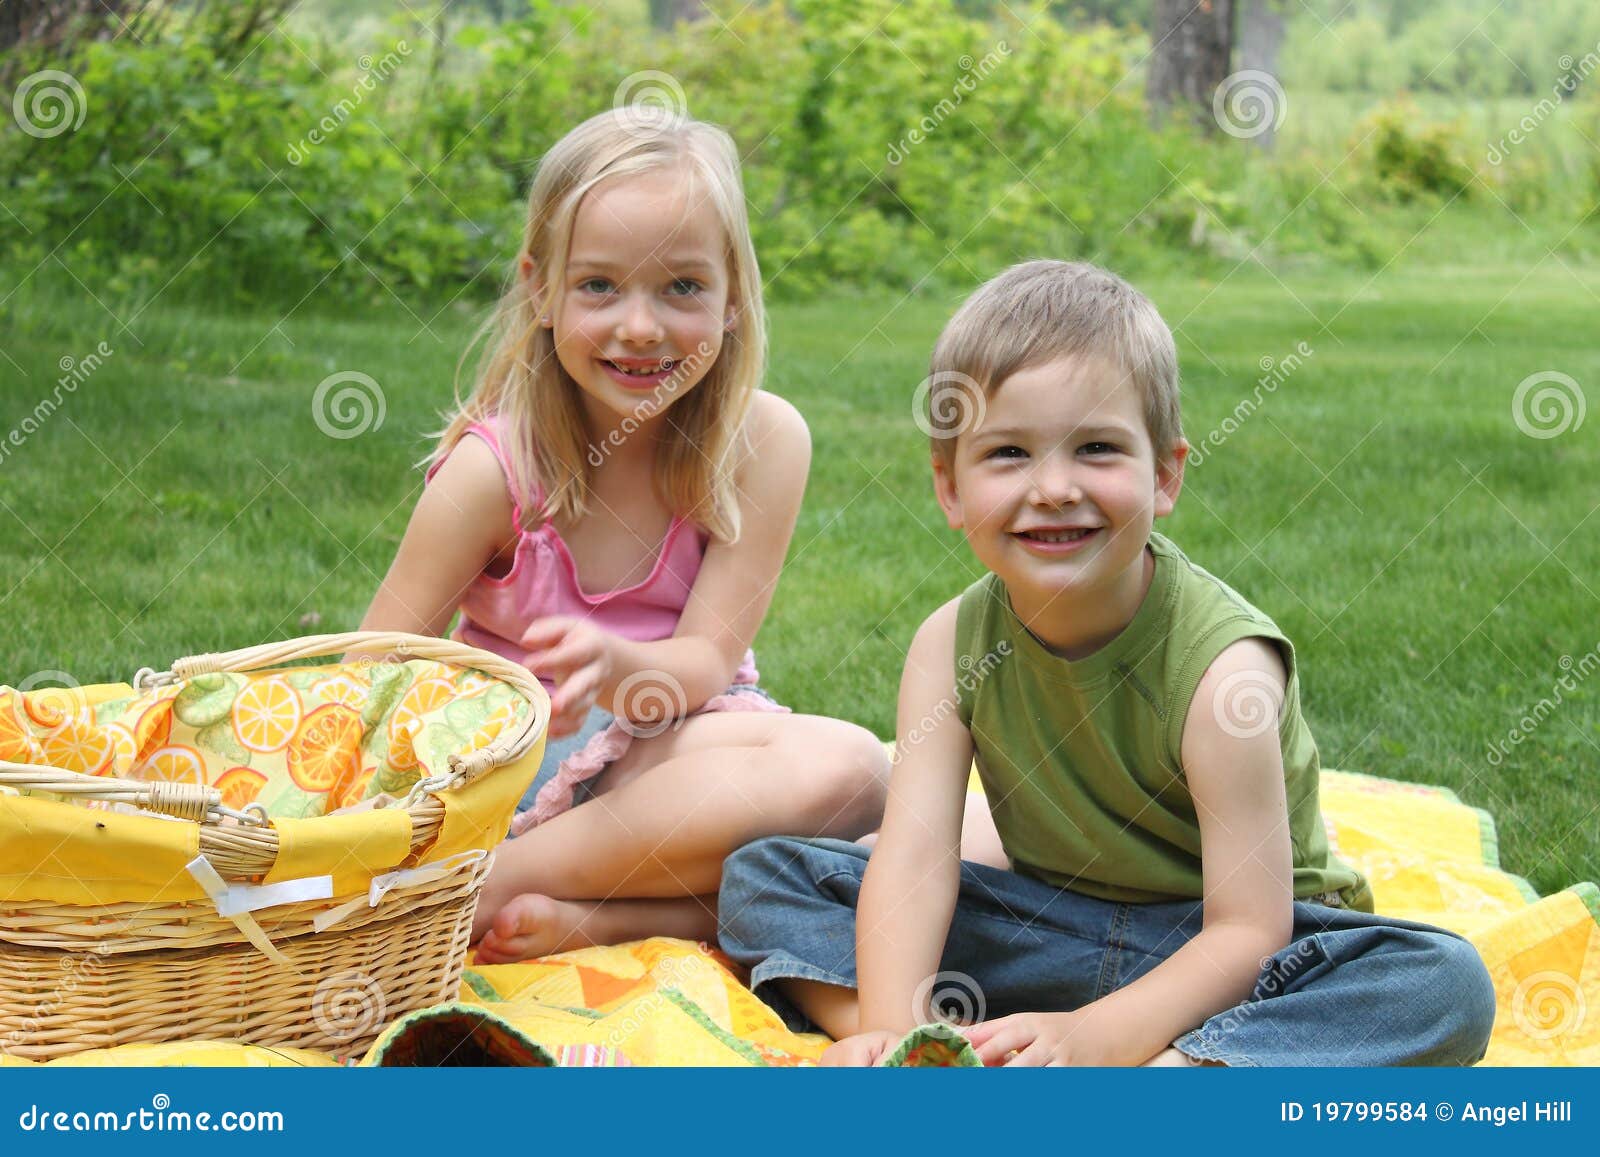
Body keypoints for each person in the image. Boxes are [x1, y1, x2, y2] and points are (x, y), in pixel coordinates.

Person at [718, 260, 1497, 1066]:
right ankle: (942, 1055)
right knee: (767, 873)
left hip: (1245, 958)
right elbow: (914, 860)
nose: (1053, 487)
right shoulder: (949, 645)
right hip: (1057, 926)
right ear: (949, 489)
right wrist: (894, 1026)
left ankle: (1166, 1072)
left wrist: (1092, 1036)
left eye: (1096, 449)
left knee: (1442, 982)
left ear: (1165, 474)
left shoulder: (1221, 671)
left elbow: (1248, 929)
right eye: (1009, 453)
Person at [357, 108, 888, 963]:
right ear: (540, 289)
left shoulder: (762, 442)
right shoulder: (496, 472)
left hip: (676, 739)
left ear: (733, 296)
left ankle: (589, 914)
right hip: (521, 766)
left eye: (682, 287)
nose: (641, 327)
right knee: (849, 810)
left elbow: (707, 665)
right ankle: (502, 874)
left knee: (866, 778)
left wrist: (616, 667)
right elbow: (371, 667)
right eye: (600, 286)